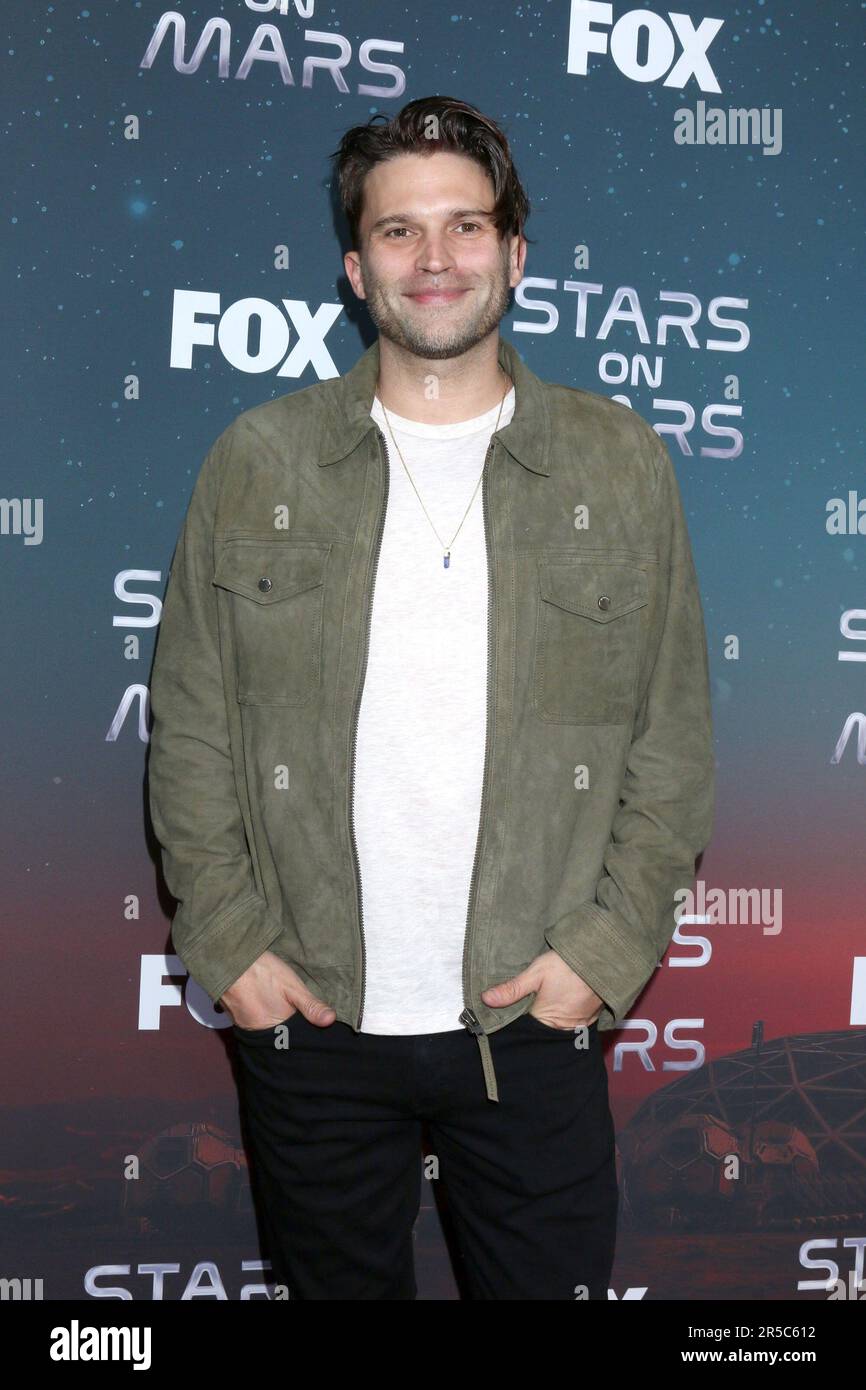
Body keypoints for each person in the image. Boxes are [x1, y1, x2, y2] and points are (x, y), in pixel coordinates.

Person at [148, 95, 715, 1300]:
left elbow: (669, 739)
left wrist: (602, 951)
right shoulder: (258, 458)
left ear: (514, 253)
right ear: (356, 269)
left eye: (465, 225)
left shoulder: (618, 461)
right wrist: (229, 943)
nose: (436, 257)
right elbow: (191, 721)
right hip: (310, 1017)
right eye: (400, 232)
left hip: (532, 1018)